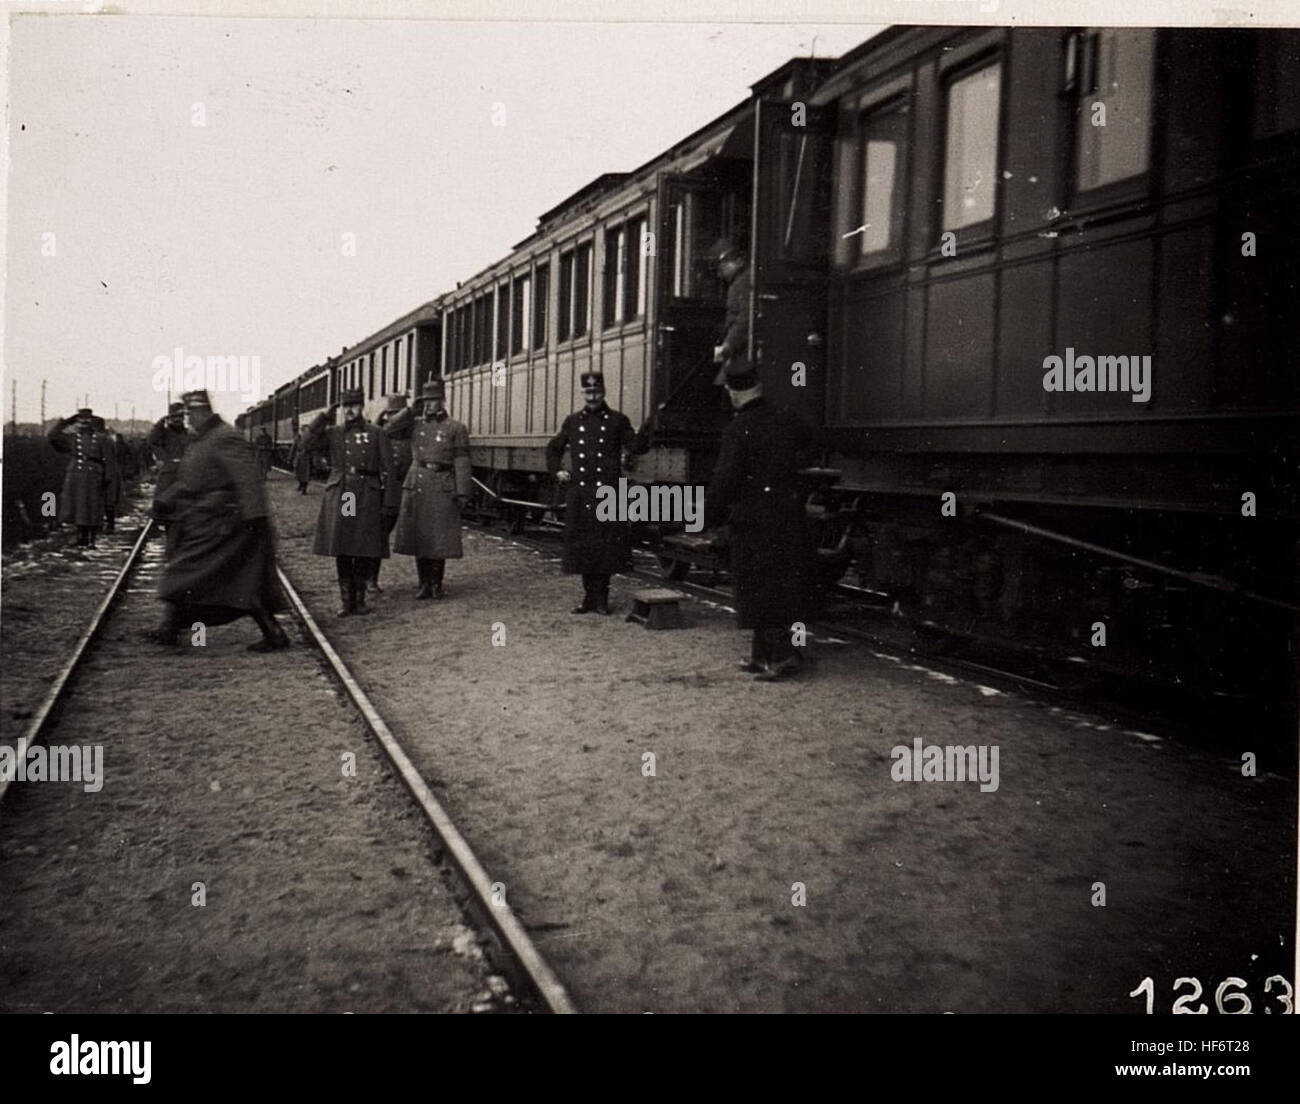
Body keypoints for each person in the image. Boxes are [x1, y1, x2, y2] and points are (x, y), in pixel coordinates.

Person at [145, 390, 290, 652]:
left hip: (224, 523)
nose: (188, 420)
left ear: (202, 412)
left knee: (188, 573)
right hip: (204, 520)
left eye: (191, 414)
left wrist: (255, 519)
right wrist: (166, 499)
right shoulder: (202, 439)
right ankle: (273, 633)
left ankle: (170, 628)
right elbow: (191, 481)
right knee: (228, 579)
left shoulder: (224, 437)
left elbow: (247, 478)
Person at [705, 358, 815, 682]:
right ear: (758, 386)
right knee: (779, 583)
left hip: (753, 520)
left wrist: (708, 515)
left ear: (733, 392)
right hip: (787, 514)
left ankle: (782, 656)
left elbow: (725, 479)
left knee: (757, 588)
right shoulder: (786, 417)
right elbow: (810, 442)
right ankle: (760, 655)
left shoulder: (737, 429)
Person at [545, 371, 638, 614]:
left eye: (596, 392)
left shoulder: (618, 420)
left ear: (604, 392)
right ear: (582, 393)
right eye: (588, 392)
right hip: (582, 493)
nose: (593, 396)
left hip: (608, 492)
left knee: (605, 549)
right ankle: (589, 599)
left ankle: (601, 600)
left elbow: (636, 445)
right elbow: (553, 449)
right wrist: (558, 471)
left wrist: (650, 429)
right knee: (584, 548)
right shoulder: (573, 421)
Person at [305, 387, 392, 617]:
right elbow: (305, 443)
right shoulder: (334, 433)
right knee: (345, 544)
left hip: (367, 493)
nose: (349, 410)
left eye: (353, 405)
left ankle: (359, 600)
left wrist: (388, 502)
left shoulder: (376, 433)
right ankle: (346, 601)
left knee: (363, 546)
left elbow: (389, 469)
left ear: (362, 406)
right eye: (346, 406)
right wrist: (323, 417)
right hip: (347, 495)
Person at [388, 380, 470, 600]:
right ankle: (423, 583)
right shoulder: (415, 425)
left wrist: (463, 491)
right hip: (418, 484)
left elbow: (462, 460)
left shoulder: (456, 428)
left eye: (434, 400)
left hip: (442, 484)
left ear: (442, 401)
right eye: (426, 401)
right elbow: (389, 430)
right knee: (420, 536)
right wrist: (408, 410)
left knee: (439, 537)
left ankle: (436, 583)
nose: (430, 405)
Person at [370, 393, 414, 593]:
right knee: (367, 537)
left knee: (380, 536)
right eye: (391, 414)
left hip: (395, 495)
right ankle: (365, 581)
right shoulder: (377, 435)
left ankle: (369, 580)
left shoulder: (411, 437)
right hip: (369, 495)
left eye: (398, 414)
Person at [46, 408, 107, 547]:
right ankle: (81, 537)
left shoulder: (100, 437)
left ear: (92, 422)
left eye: (87, 420)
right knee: (79, 506)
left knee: (92, 506)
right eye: (81, 420)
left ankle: (91, 538)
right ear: (77, 422)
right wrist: (67, 421)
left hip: (93, 474)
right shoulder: (72, 438)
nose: (84, 423)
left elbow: (108, 457)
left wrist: (107, 476)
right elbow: (52, 436)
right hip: (76, 473)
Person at [707, 237, 751, 387]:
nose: (719, 275)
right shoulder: (741, 281)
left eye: (721, 268)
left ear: (736, 261)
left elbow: (745, 317)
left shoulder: (742, 282)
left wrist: (729, 344)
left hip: (741, 349)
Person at [147, 402, 190, 533]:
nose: (178, 420)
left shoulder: (188, 433)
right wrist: (162, 458)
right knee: (164, 498)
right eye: (175, 417)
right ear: (170, 417)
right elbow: (152, 440)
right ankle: (163, 522)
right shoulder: (165, 433)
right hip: (169, 470)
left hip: (185, 471)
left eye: (180, 417)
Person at [92, 416, 122, 535]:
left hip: (108, 472)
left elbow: (109, 458)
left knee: (108, 501)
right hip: (106, 471)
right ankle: (106, 524)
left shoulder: (104, 440)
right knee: (106, 501)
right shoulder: (106, 439)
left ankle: (109, 525)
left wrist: (108, 476)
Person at [288, 426, 312, 494]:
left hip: (306, 457)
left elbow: (313, 447)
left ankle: (304, 488)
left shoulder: (309, 439)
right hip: (298, 458)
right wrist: (290, 458)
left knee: (306, 474)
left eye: (306, 431)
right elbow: (293, 448)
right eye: (303, 431)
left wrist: (307, 450)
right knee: (298, 472)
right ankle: (301, 485)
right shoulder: (297, 438)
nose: (304, 432)